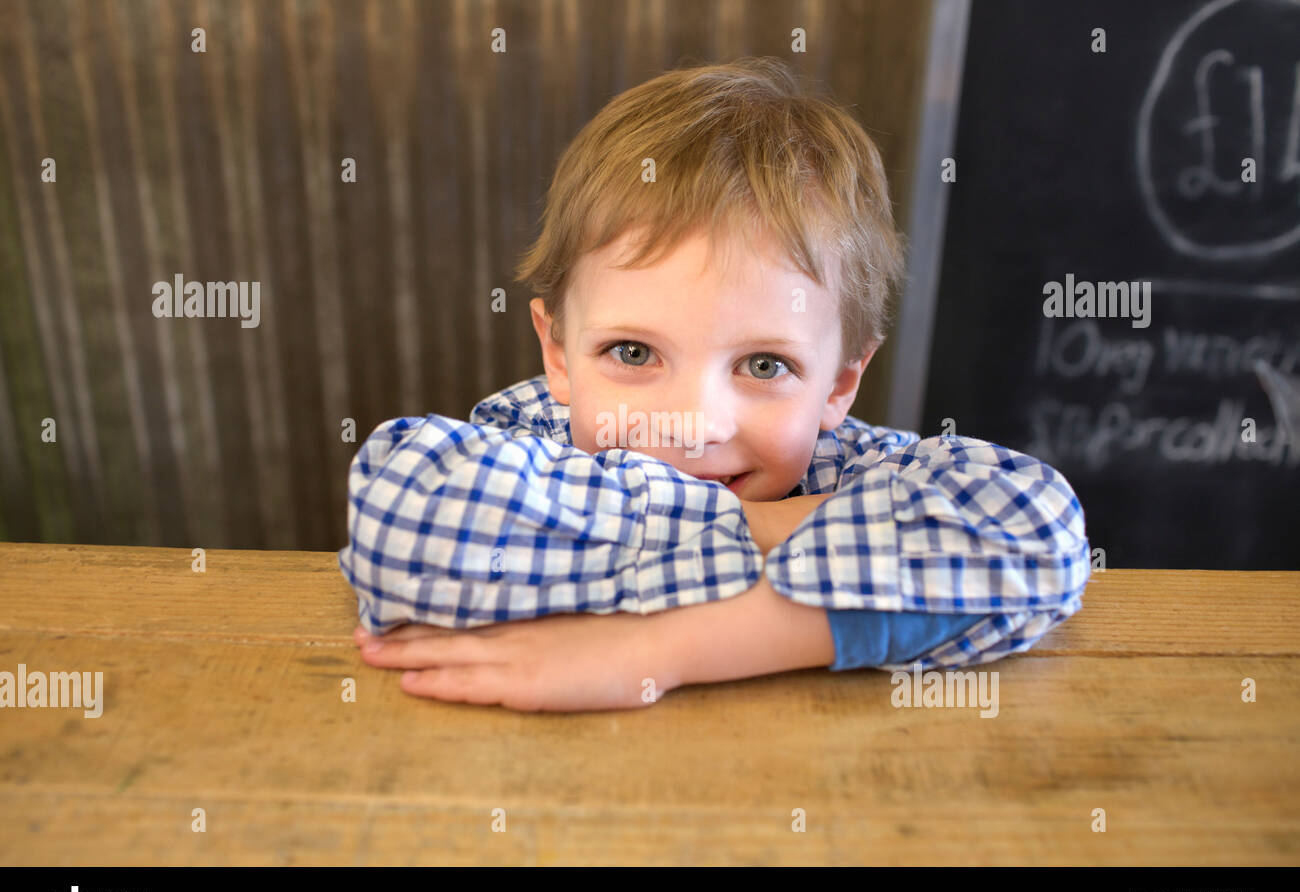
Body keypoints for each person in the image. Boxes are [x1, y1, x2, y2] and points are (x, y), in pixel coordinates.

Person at [338, 57, 1091, 712]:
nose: (692, 425)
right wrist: (772, 528)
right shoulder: (529, 436)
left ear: (839, 384)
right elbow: (399, 519)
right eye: (633, 353)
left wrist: (661, 653)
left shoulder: (847, 466)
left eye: (765, 366)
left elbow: (1038, 540)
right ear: (558, 353)